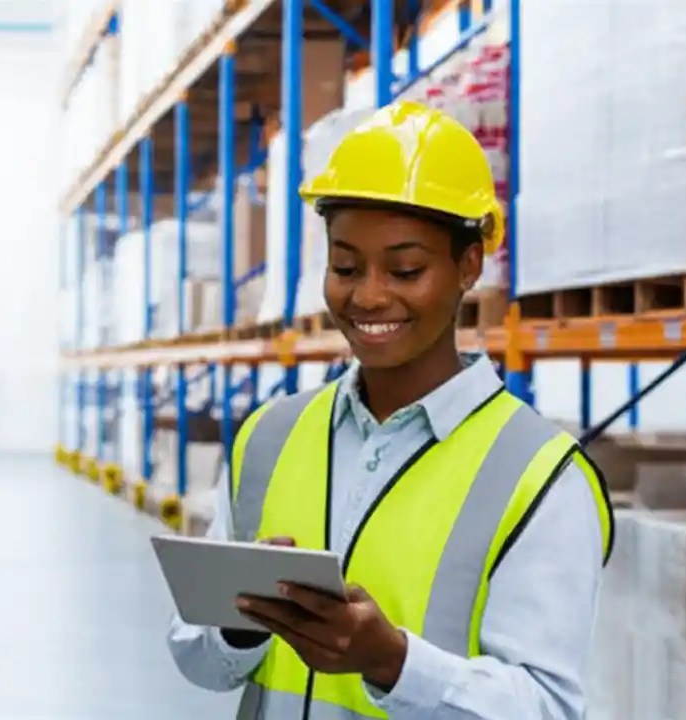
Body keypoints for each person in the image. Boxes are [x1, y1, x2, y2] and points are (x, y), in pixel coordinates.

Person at [166, 101, 614, 719]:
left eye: (405, 269)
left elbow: (547, 707)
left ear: (469, 265)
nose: (369, 296)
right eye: (345, 266)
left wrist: (393, 663)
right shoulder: (270, 437)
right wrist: (241, 628)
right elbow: (195, 655)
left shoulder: (540, 475)